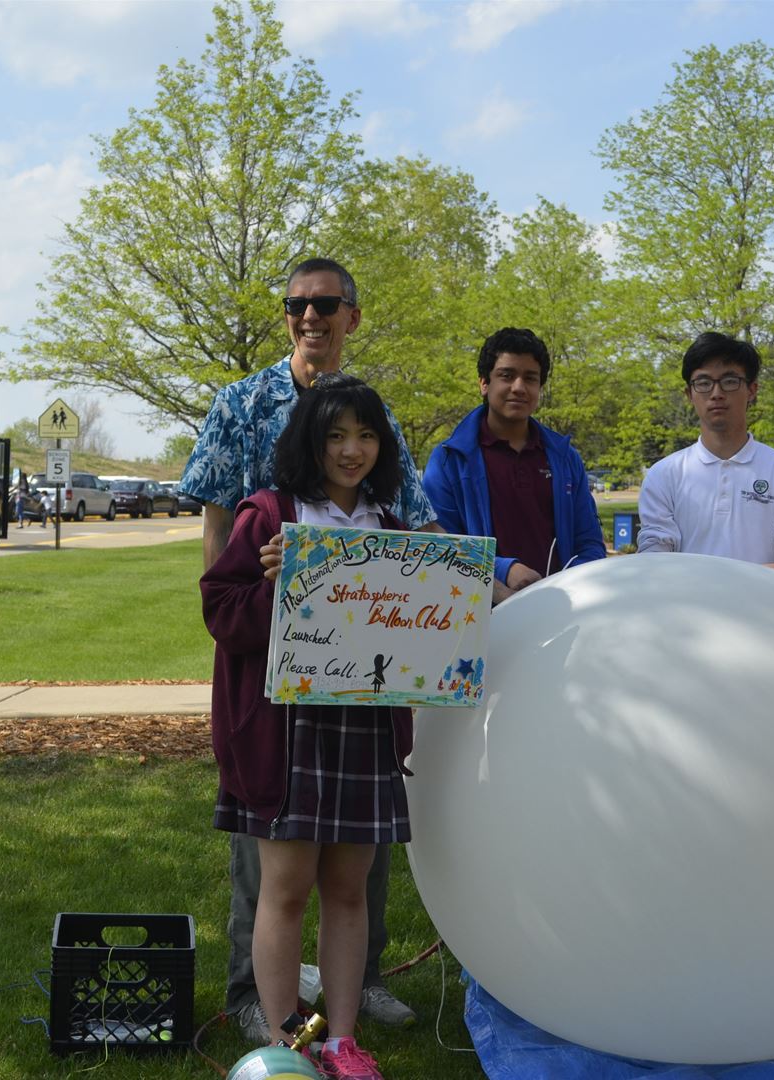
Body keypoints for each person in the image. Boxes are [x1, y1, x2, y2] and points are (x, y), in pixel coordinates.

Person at [179, 258, 432, 1044]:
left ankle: (348, 1017)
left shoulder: (378, 463)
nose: (311, 316)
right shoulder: (244, 410)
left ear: (351, 314)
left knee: (353, 877)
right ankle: (264, 1004)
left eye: (326, 304)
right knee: (275, 873)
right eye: (298, 305)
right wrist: (255, 590)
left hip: (363, 708)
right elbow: (220, 536)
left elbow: (421, 551)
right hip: (280, 700)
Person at [201, 372, 412, 1080]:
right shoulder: (268, 515)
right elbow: (220, 611)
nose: (352, 450)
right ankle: (291, 1042)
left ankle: (344, 1041)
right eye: (335, 436)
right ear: (309, 444)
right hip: (286, 730)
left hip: (364, 727)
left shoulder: (390, 526)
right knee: (284, 887)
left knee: (349, 890)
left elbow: (417, 629)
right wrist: (269, 590)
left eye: (366, 435)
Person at [423, 327, 605, 599]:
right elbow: (440, 548)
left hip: (558, 610)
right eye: (507, 376)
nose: (519, 387)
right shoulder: (450, 460)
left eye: (530, 378)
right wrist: (503, 569)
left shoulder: (565, 458)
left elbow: (589, 542)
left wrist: (568, 587)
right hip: (479, 615)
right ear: (484, 383)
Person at [635, 331, 774, 563]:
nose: (716, 393)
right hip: (684, 599)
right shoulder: (664, 475)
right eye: (703, 383)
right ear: (689, 394)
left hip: (763, 599)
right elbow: (655, 557)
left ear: (752, 390)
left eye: (730, 381)